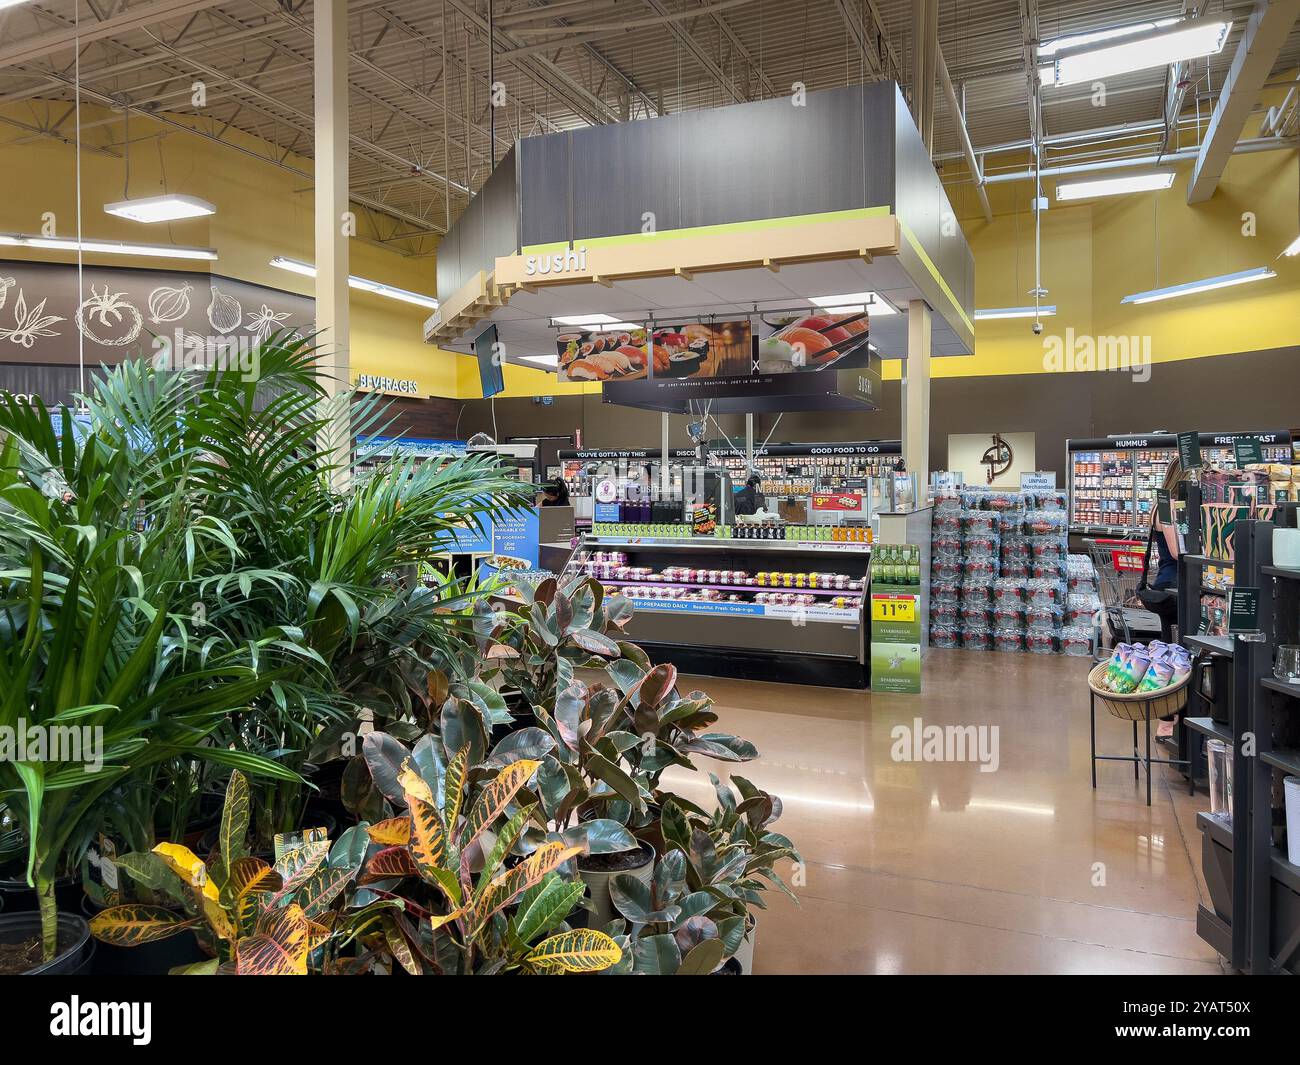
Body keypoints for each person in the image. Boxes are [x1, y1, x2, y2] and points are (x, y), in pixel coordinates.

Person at [1134, 457, 1183, 641]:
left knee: (1170, 637)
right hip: (1172, 583)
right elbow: (1176, 551)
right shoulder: (1166, 506)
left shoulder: (1167, 505)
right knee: (1172, 639)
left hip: (1170, 579)